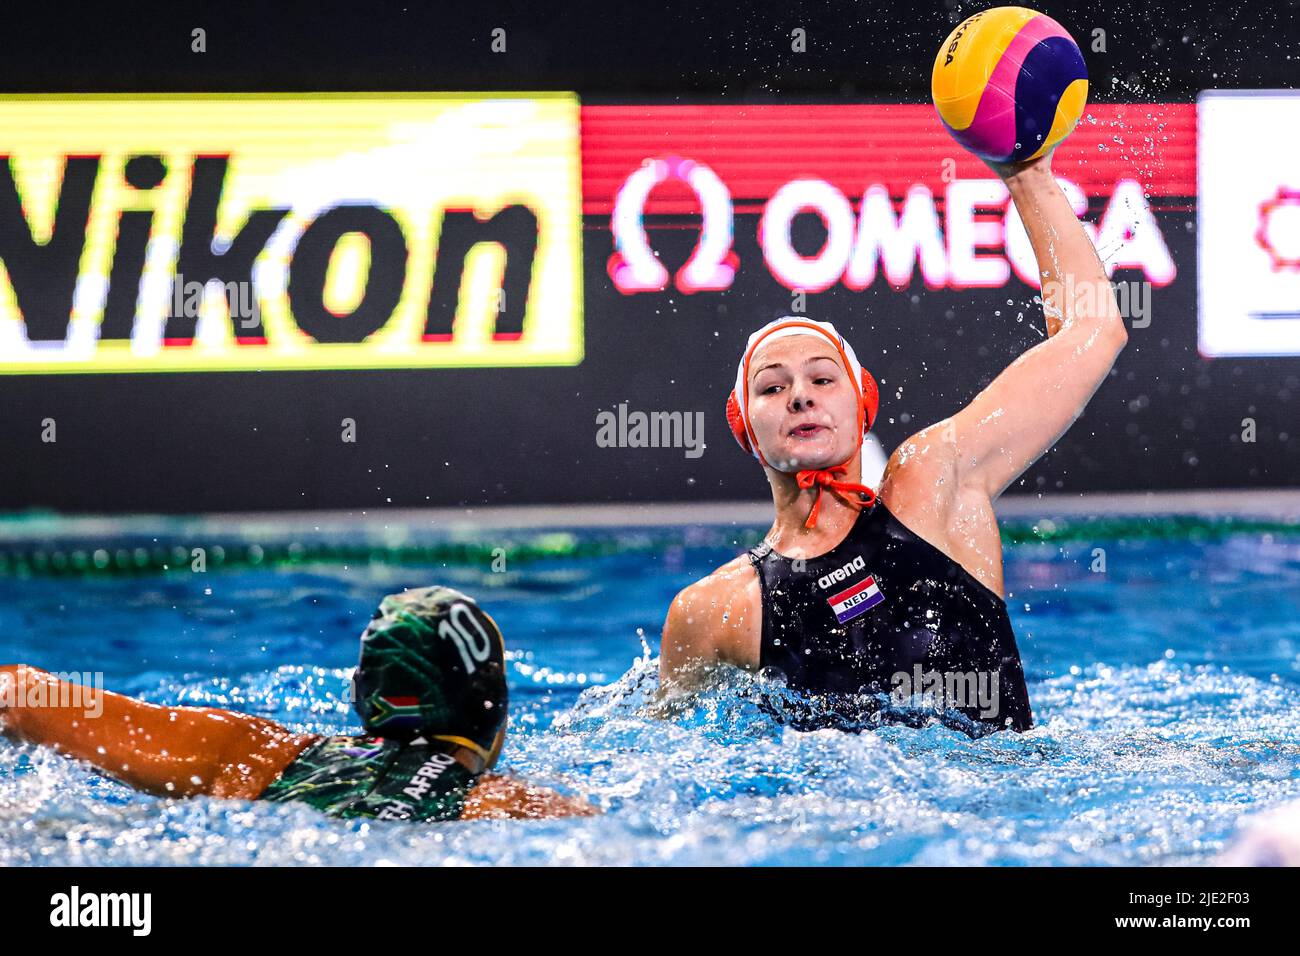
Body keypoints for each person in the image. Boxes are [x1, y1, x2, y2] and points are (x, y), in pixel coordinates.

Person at [659, 148, 1129, 734]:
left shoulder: (934, 487)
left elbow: (1093, 330)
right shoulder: (715, 609)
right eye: (773, 388)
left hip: (1010, 799)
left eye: (823, 379)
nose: (801, 397)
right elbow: (656, 762)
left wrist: (1027, 174)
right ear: (745, 428)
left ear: (863, 404)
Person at [0, 586, 595, 822]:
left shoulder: (248, 753)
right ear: (491, 705)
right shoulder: (512, 808)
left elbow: (21, 695)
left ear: (364, 697)